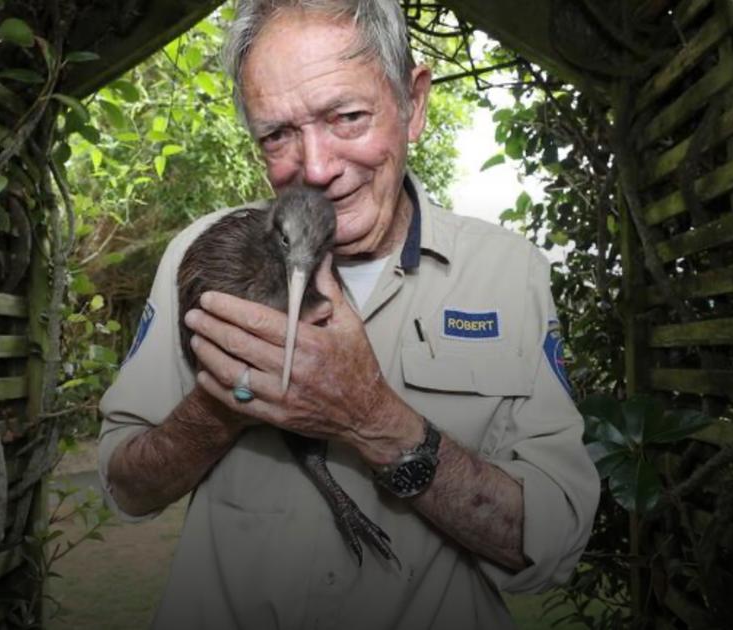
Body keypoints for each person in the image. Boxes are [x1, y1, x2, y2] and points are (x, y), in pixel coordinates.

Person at [97, 1, 600, 627]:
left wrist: (372, 417)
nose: (315, 168)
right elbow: (126, 488)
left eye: (348, 117)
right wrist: (219, 405)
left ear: (412, 103)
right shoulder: (197, 255)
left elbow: (551, 547)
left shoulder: (507, 273)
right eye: (277, 134)